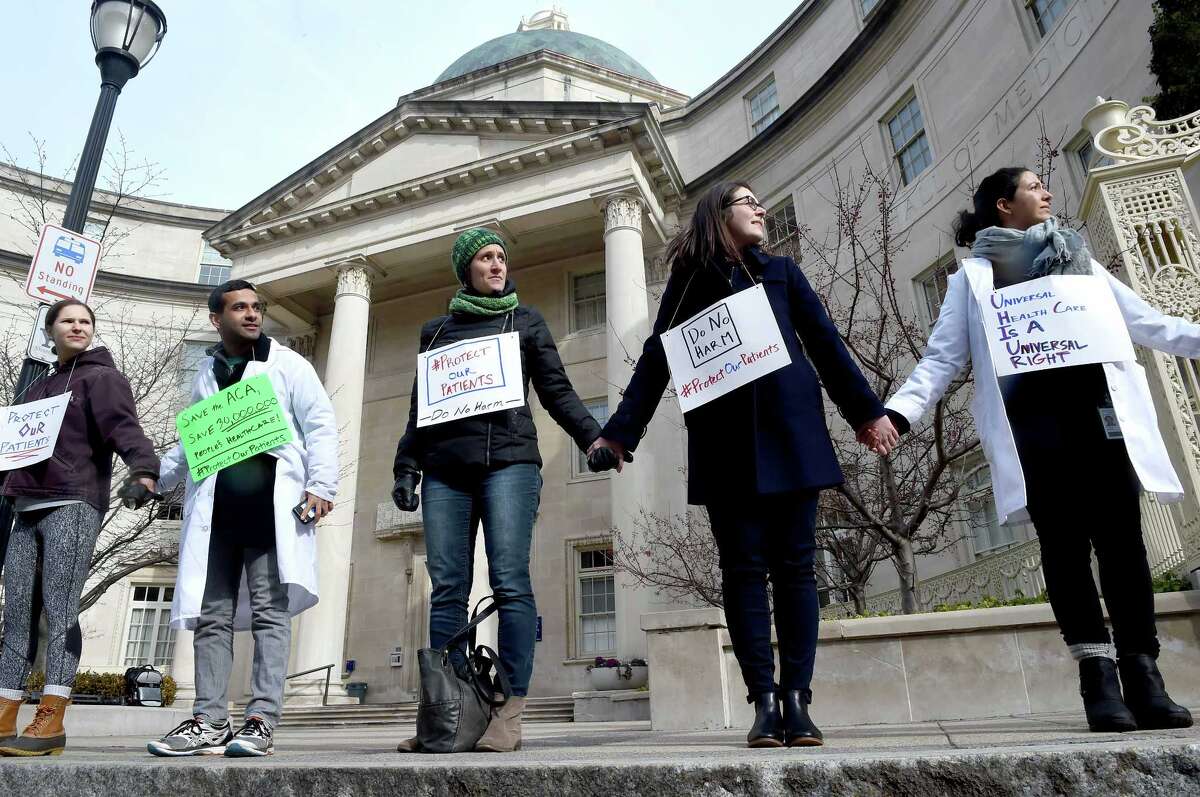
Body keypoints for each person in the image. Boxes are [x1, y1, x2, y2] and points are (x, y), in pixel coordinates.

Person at [885, 166, 1197, 733]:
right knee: (1065, 548)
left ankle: (1144, 675)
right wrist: (898, 413)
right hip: (1033, 427)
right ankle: (1098, 681)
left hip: (1102, 419)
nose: (1047, 193)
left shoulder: (1081, 262)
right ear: (1004, 206)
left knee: (1125, 545)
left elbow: (1149, 325)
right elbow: (941, 358)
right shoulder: (973, 279)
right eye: (1033, 187)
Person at [590, 182, 897, 748]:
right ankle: (765, 700)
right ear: (717, 215)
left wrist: (866, 413)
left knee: (797, 568)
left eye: (760, 202)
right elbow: (658, 356)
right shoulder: (688, 282)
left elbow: (826, 345)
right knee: (743, 571)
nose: (759, 208)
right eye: (746, 201)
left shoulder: (782, 272)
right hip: (724, 442)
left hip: (791, 434)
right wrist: (618, 433)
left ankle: (798, 699)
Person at [392, 228, 604, 753]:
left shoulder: (525, 320)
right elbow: (422, 407)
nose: (496, 265)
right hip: (446, 470)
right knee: (446, 588)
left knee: (509, 579)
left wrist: (592, 435)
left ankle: (509, 710)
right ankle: (448, 712)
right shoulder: (436, 332)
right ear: (465, 268)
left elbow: (555, 388)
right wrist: (406, 466)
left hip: (509, 463)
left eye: (501, 257)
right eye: (485, 258)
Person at [147, 280, 338, 757]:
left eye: (256, 307)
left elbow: (320, 424)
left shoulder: (289, 364)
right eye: (240, 308)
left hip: (270, 507)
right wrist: (155, 479)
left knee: (271, 613)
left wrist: (322, 486)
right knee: (211, 617)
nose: (251, 315)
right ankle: (209, 720)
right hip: (218, 510)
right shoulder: (206, 375)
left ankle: (261, 718)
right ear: (217, 319)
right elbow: (195, 438)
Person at [0, 299, 160, 757]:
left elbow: (124, 428)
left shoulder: (102, 378)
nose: (78, 327)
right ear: (49, 331)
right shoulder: (36, 388)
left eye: (85, 321)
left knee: (60, 607)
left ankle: (51, 715)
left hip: (72, 500)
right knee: (16, 617)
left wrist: (143, 469)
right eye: (68, 321)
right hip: (25, 505)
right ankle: (5, 711)